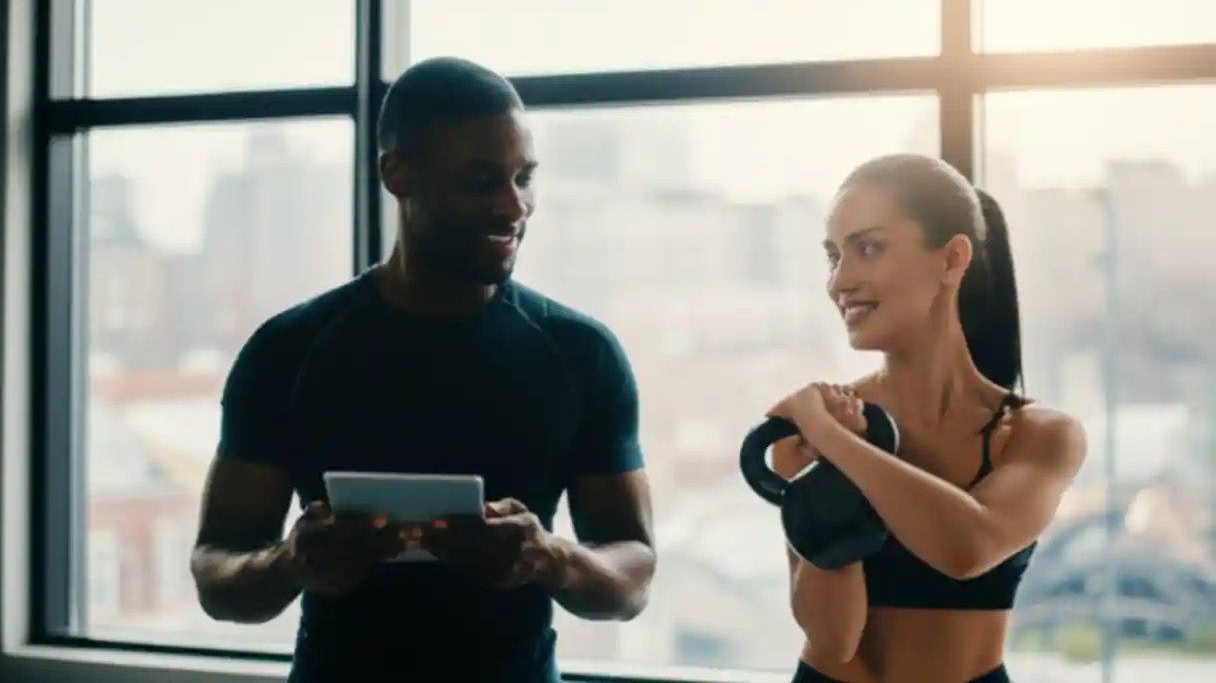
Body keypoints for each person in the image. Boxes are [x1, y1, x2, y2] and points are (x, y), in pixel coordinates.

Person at [190, 57, 656, 682]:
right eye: (482, 180)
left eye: (524, 178)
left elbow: (634, 575)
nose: (513, 206)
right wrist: (291, 564)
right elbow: (216, 572)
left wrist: (549, 558)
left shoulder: (580, 354)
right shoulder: (289, 352)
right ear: (397, 173)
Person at [767, 154, 1088, 682]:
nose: (838, 282)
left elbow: (967, 547)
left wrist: (838, 441)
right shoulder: (820, 428)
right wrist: (827, 473)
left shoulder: (1039, 435)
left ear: (952, 259)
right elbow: (832, 636)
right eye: (833, 257)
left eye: (868, 248)